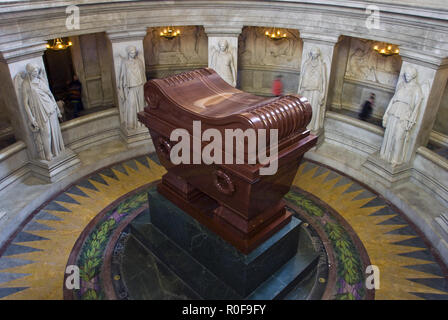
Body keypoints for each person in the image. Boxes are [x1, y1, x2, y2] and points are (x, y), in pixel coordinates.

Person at [21, 63, 65, 161]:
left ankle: (54, 150)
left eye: (37, 72)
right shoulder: (26, 84)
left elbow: (50, 95)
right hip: (39, 111)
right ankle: (48, 153)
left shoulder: (41, 81)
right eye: (33, 72)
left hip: (50, 108)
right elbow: (25, 103)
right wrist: (31, 118)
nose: (35, 74)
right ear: (29, 72)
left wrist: (57, 110)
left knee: (53, 130)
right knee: (46, 133)